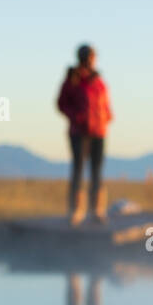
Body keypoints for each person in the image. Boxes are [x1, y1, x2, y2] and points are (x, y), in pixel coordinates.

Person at [56, 44, 113, 224]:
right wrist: (76, 117)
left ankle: (97, 211)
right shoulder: (73, 80)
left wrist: (107, 116)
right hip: (79, 132)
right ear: (85, 58)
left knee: (97, 170)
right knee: (78, 169)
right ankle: (75, 211)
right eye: (91, 57)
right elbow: (61, 103)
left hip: (99, 131)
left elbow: (105, 104)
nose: (93, 60)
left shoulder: (98, 81)